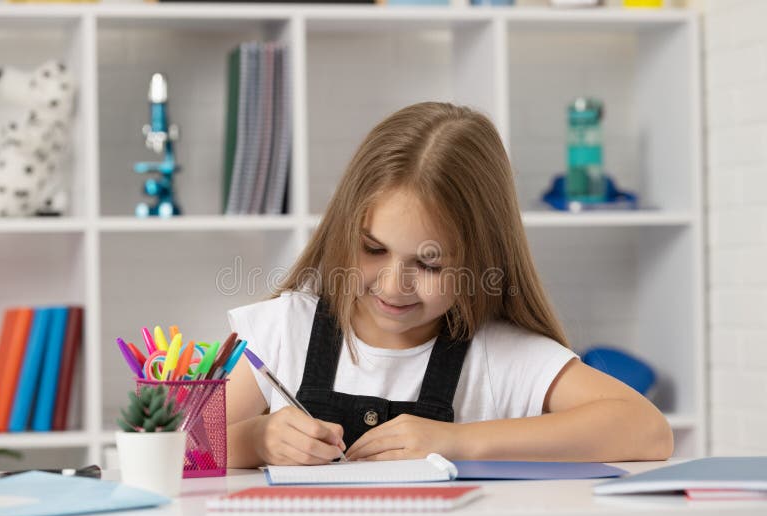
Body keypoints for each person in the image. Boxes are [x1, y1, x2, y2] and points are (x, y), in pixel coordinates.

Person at [225, 102, 673, 467]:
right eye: (373, 249)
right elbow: (189, 443)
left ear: (481, 262)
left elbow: (647, 430)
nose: (393, 285)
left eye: (430, 264)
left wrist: (459, 442)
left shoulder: (498, 354)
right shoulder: (286, 329)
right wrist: (256, 440)